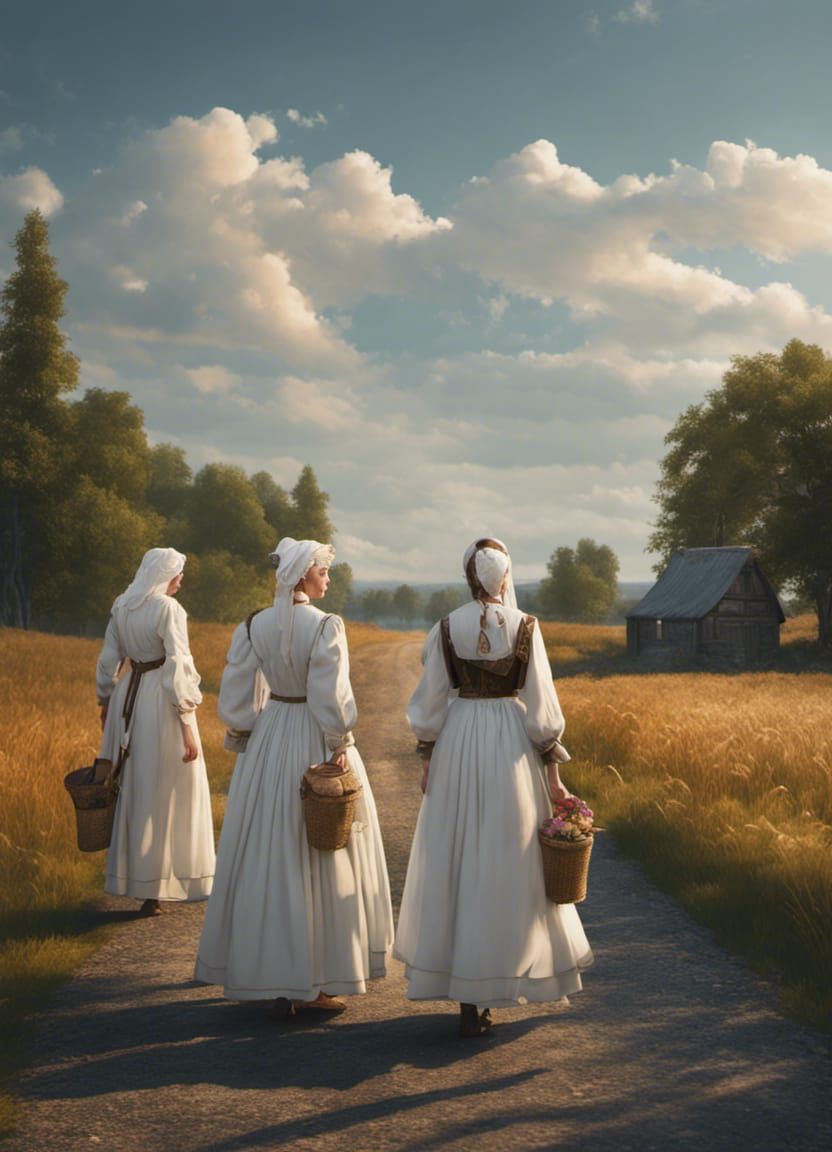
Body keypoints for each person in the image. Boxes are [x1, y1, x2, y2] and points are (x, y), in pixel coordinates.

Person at [394, 537, 593, 1037]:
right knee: (506, 861)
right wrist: (554, 777)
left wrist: (428, 756)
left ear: (468, 577)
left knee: (459, 859)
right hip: (509, 746)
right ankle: (500, 977)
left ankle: (466, 991)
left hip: (460, 741)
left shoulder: (445, 628)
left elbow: (429, 704)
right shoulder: (526, 627)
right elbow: (542, 707)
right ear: (505, 577)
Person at [195, 537, 394, 1018]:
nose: (328, 578)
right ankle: (317, 980)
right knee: (323, 851)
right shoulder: (326, 625)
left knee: (272, 850)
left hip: (270, 734)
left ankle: (275, 974)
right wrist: (339, 745)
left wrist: (246, 731)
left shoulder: (253, 625)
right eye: (324, 571)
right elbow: (330, 696)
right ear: (305, 575)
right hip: (312, 736)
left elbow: (239, 697)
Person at [96, 547, 215, 915]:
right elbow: (178, 664)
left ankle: (141, 881)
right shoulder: (167, 609)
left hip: (127, 698)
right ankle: (157, 885)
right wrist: (187, 726)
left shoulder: (122, 606)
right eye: (178, 573)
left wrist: (106, 701)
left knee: (136, 786)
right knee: (165, 789)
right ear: (165, 575)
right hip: (159, 702)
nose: (181, 580)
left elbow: (108, 660)